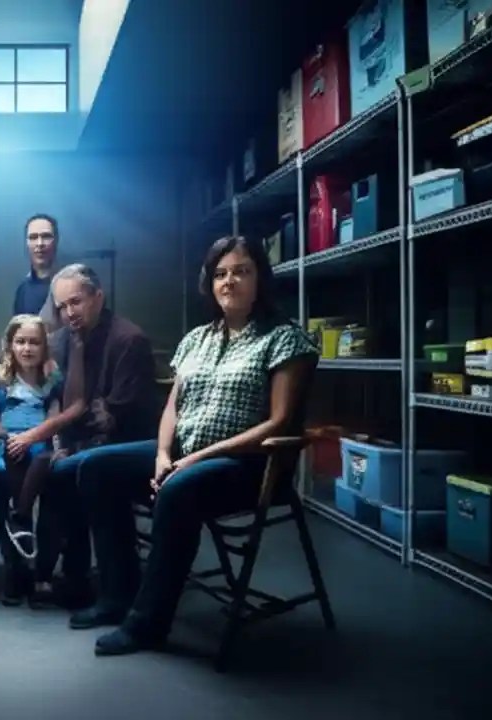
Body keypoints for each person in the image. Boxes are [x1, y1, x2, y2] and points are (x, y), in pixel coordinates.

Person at [77, 236, 318, 656]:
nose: (230, 281)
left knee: (179, 489)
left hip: (248, 465)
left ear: (260, 277)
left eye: (242, 271)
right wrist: (163, 456)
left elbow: (278, 422)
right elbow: (173, 406)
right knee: (96, 468)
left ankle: (147, 623)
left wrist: (193, 460)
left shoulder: (284, 338)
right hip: (184, 454)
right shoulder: (197, 339)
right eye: (221, 273)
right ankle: (118, 594)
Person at [44, 263, 160, 612]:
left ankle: (110, 588)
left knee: (81, 472)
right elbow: (54, 396)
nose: (69, 313)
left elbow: (117, 417)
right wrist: (58, 442)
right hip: (79, 440)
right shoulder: (62, 340)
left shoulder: (128, 340)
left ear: (98, 296)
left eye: (76, 302)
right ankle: (65, 575)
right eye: (62, 306)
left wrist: (74, 450)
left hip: (126, 444)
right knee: (48, 467)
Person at [0, 314, 85, 607]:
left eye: (34, 342)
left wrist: (55, 445)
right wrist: (8, 438)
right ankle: (14, 569)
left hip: (40, 446)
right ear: (10, 345)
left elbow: (55, 418)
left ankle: (41, 567)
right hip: (8, 446)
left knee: (47, 462)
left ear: (44, 347)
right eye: (20, 342)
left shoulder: (51, 380)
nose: (27, 348)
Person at [12, 213, 61, 330]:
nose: (40, 243)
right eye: (33, 237)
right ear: (26, 243)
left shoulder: (72, 285)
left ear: (56, 240)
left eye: (46, 236)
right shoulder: (22, 290)